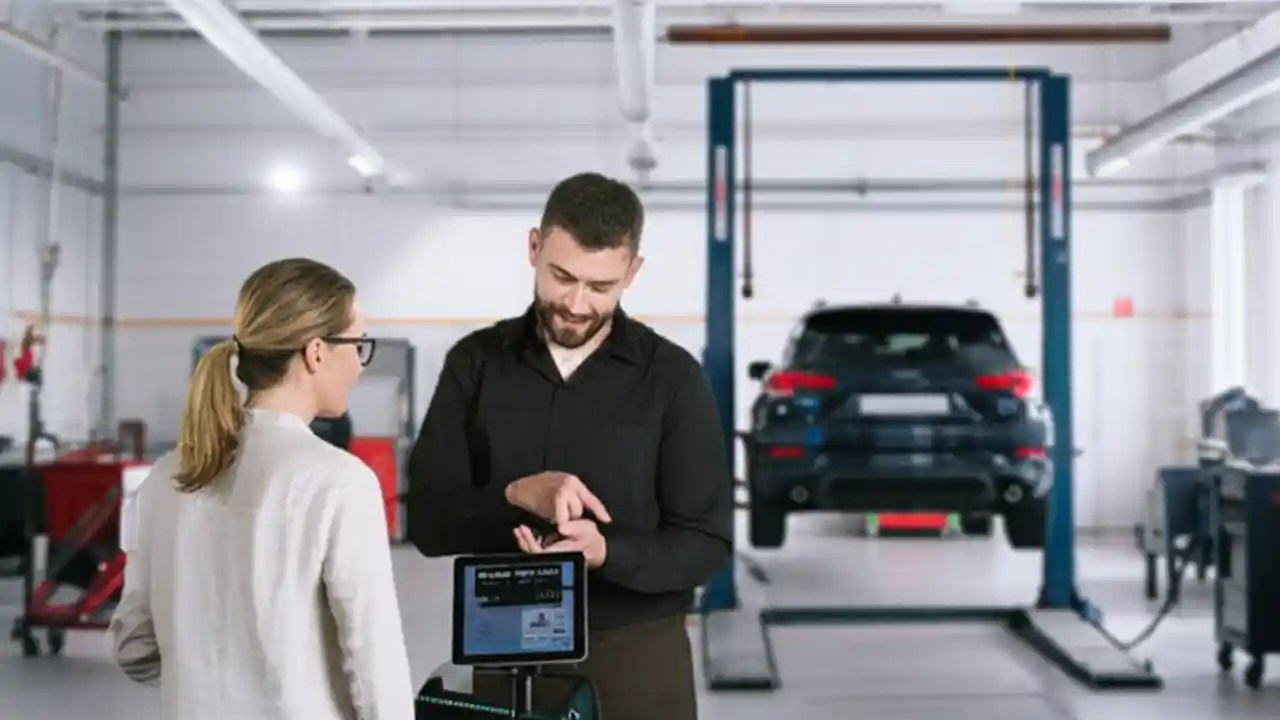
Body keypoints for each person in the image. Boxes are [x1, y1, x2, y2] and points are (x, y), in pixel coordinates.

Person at [407, 172, 734, 720]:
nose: (576, 304)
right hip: (502, 644)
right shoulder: (475, 364)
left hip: (636, 655)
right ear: (534, 248)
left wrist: (606, 552)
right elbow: (427, 521)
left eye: (601, 287)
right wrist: (513, 495)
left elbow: (706, 542)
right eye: (561, 276)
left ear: (632, 273)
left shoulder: (673, 378)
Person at [108, 258, 414, 720]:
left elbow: (134, 645)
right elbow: (376, 669)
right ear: (316, 352)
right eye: (358, 345)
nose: (359, 365)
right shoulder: (340, 483)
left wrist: (207, 685)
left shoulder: (169, 475)